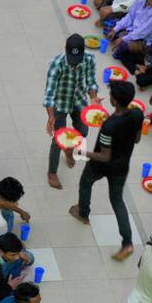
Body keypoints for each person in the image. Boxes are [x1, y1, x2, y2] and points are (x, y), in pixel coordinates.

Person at [68, 81, 144, 260]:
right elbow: (137, 139)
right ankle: (127, 243)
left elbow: (104, 156)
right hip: (122, 166)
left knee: (85, 183)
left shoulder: (108, 127)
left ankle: (83, 213)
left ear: (115, 101)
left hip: (100, 165)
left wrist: (81, 152)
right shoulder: (137, 114)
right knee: (117, 200)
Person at [44, 33, 100, 189]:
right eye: (72, 61)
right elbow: (49, 94)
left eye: (77, 61)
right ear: (65, 50)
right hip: (60, 102)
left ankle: (69, 149)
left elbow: (91, 82)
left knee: (83, 130)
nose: (74, 65)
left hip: (78, 99)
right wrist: (51, 116)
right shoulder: (57, 64)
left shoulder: (89, 59)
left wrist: (94, 98)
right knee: (58, 139)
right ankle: (52, 172)